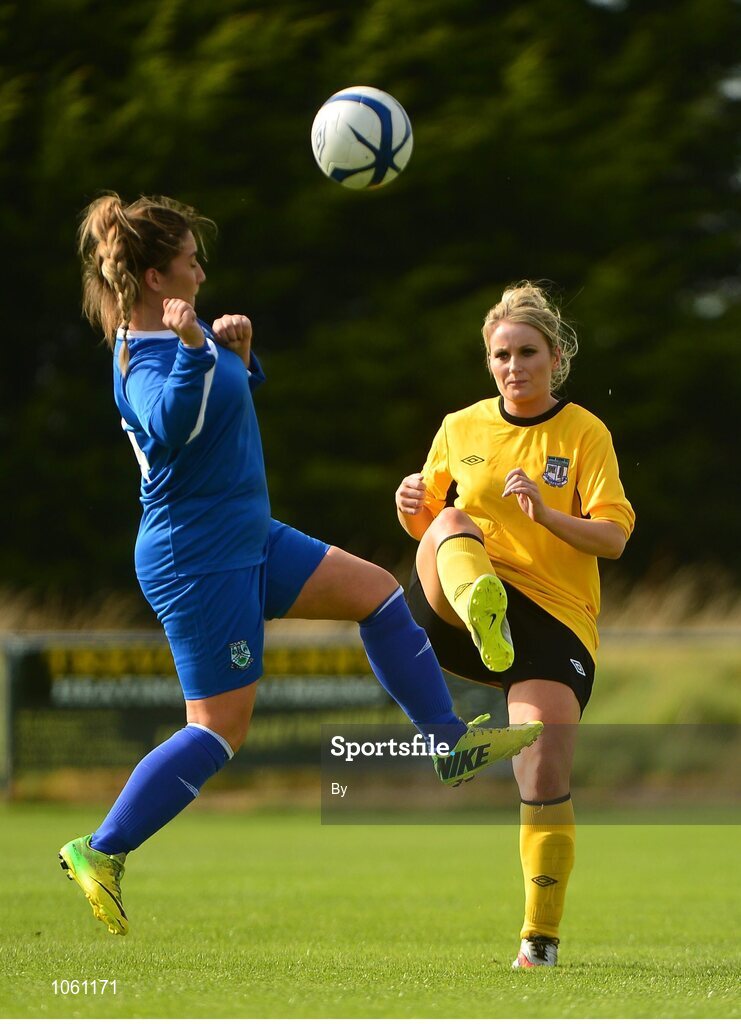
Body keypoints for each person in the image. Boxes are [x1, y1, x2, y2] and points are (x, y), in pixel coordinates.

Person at [59, 194, 542, 936]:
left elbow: (224, 408)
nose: (202, 267)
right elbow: (169, 429)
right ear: (157, 277)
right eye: (190, 258)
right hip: (197, 555)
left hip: (243, 534)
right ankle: (100, 849)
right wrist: (197, 351)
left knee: (380, 595)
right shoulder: (145, 351)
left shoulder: (179, 337)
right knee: (219, 729)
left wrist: (242, 358)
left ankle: (447, 744)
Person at [395, 281, 634, 968]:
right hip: (463, 596)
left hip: (554, 620)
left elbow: (613, 537)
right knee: (447, 518)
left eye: (527, 352)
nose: (512, 366)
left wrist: (547, 516)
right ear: (489, 361)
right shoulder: (459, 426)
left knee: (542, 761)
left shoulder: (584, 432)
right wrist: (406, 500)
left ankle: (539, 939)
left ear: (555, 358)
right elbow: (427, 526)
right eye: (501, 354)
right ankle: (482, 612)